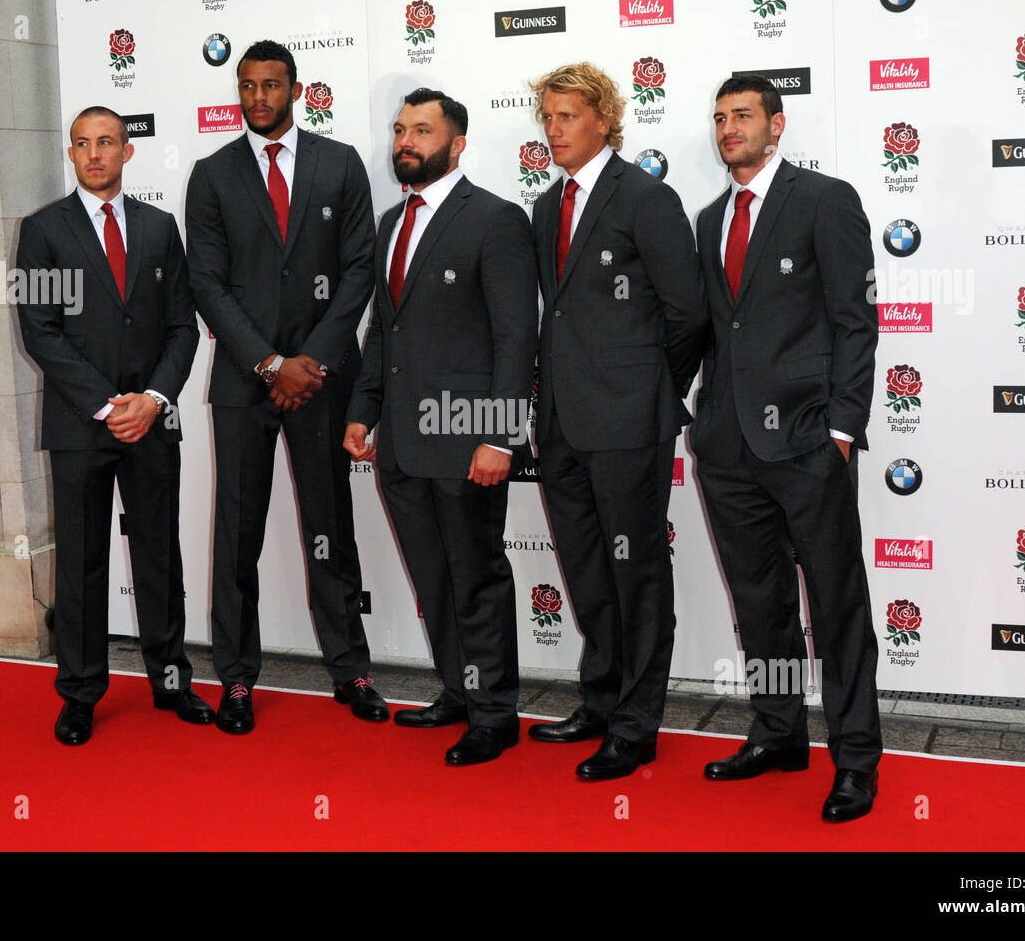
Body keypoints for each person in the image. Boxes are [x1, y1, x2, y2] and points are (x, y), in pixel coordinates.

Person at [692, 74, 882, 821]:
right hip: (729, 447)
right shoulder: (711, 218)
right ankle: (778, 732)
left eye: (742, 115)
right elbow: (715, 331)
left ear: (777, 124)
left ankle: (857, 758)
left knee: (837, 606)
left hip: (807, 442)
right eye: (719, 118)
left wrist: (840, 429)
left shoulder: (824, 200)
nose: (728, 128)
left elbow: (855, 320)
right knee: (760, 604)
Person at [185, 40, 384, 734]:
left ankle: (351, 667)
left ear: (297, 89)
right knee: (237, 535)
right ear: (238, 92)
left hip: (324, 384)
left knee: (331, 529)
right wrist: (271, 364)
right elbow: (207, 284)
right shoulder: (211, 176)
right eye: (248, 86)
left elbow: (360, 268)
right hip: (246, 386)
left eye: (272, 84)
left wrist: (314, 363)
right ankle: (236, 679)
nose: (259, 96)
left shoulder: (340, 163)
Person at [344, 89, 537, 765]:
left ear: (456, 144)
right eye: (400, 128)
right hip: (400, 442)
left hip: (467, 440)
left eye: (421, 130)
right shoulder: (392, 221)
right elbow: (381, 331)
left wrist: (499, 435)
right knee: (435, 578)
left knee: (476, 577)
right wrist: (363, 410)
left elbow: (517, 337)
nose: (406, 140)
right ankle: (459, 689)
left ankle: (494, 711)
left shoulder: (496, 219)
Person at [526, 63, 706, 780]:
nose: (552, 130)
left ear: (604, 119)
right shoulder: (547, 206)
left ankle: (637, 724)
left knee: (636, 575)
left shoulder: (646, 198)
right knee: (588, 569)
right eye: (546, 117)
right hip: (563, 422)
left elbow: (688, 311)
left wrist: (647, 389)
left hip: (630, 420)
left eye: (566, 116)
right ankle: (601, 702)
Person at [17, 106, 212, 745]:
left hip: (151, 422)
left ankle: (171, 681)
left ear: (128, 152)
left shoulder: (159, 229)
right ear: (70, 153)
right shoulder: (42, 230)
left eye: (107, 143)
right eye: (83, 144)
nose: (94, 154)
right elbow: (39, 331)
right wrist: (108, 404)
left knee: (159, 554)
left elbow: (183, 324)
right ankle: (79, 694)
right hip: (80, 427)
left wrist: (152, 398)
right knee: (80, 563)